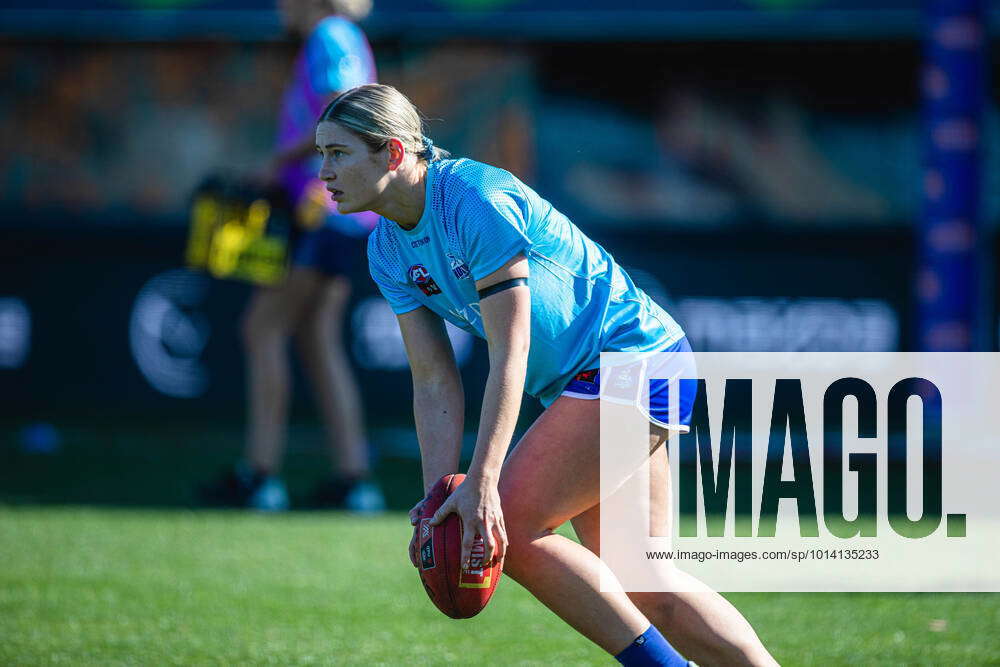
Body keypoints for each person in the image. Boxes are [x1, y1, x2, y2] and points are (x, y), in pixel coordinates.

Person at [316, 83, 777, 665]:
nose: (324, 171)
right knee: (644, 583)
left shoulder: (471, 200)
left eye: (338, 153)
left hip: (630, 358)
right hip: (598, 377)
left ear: (393, 153)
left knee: (512, 525)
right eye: (321, 155)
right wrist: (439, 500)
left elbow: (511, 352)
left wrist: (482, 485)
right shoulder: (385, 248)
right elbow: (434, 378)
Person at [201, 0, 383, 512]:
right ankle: (354, 481)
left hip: (319, 211)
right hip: (336, 213)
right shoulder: (341, 36)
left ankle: (260, 476)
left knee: (262, 327)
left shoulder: (330, 33)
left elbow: (344, 114)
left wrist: (276, 164)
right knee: (316, 336)